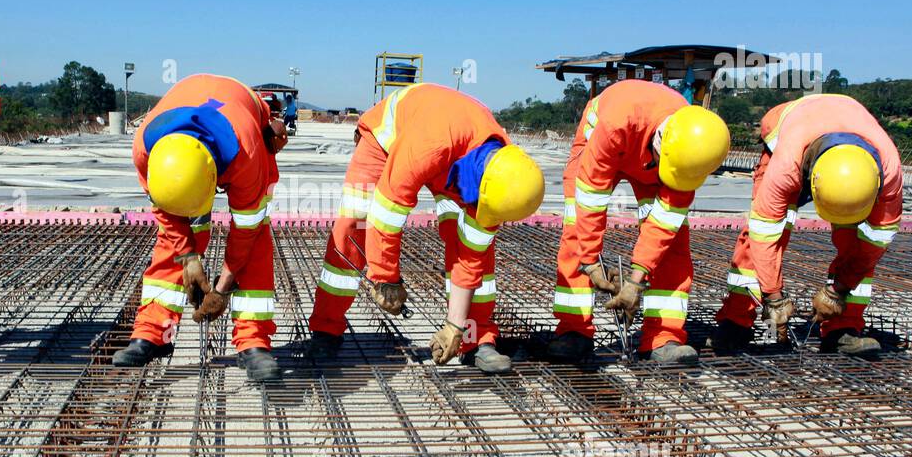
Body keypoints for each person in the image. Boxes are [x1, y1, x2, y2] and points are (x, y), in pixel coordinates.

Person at [306, 82, 545, 373]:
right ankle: (326, 330)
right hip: (385, 144)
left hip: (455, 157)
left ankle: (475, 338)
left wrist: (454, 326)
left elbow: (471, 258)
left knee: (476, 250)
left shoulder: (506, 174)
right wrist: (385, 278)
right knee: (354, 228)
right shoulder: (430, 145)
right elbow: (386, 213)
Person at [112, 73, 288, 382]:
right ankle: (153, 333)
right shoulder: (145, 150)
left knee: (256, 241)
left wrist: (222, 289)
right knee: (172, 242)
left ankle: (253, 342)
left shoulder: (247, 155)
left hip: (246, 124)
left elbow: (244, 232)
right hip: (195, 115)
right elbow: (167, 214)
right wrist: (189, 257)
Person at [548, 79, 730, 366]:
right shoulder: (617, 124)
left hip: (655, 157)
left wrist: (636, 282)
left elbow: (662, 228)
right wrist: (591, 262)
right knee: (577, 229)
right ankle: (574, 330)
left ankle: (663, 336)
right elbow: (591, 203)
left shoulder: (692, 148)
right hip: (605, 140)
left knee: (673, 244)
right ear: (661, 149)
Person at [710, 94, 902, 358]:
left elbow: (874, 244)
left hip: (837, 142)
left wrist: (839, 290)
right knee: (757, 239)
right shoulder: (786, 166)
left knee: (857, 242)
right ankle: (736, 322)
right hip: (788, 141)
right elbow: (764, 236)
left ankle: (842, 328)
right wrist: (773, 296)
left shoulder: (889, 171)